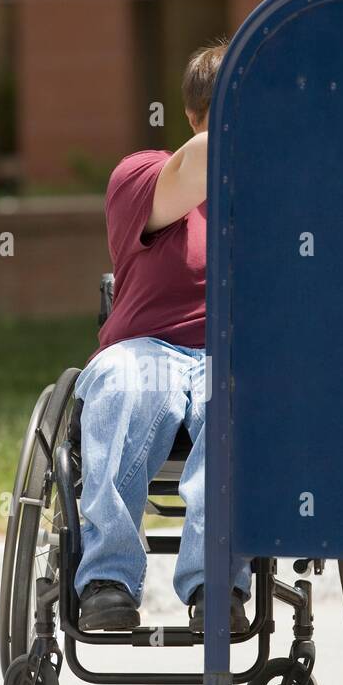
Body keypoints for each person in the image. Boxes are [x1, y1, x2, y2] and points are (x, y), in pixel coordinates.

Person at [74, 38, 251, 634]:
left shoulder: (276, 197)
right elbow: (196, 165)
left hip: (232, 357)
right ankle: (107, 577)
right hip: (146, 349)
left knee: (237, 398)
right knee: (124, 385)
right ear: (196, 115)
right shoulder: (141, 175)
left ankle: (216, 579)